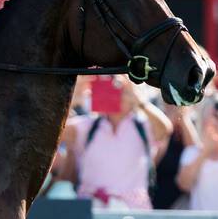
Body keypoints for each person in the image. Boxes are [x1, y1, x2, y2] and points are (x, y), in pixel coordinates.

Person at [57, 77, 172, 209]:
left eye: (122, 90)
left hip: (133, 213)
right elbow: (54, 132)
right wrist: (72, 96)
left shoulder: (143, 127)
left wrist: (140, 102)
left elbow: (165, 129)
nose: (118, 94)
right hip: (90, 212)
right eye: (112, 87)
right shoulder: (87, 127)